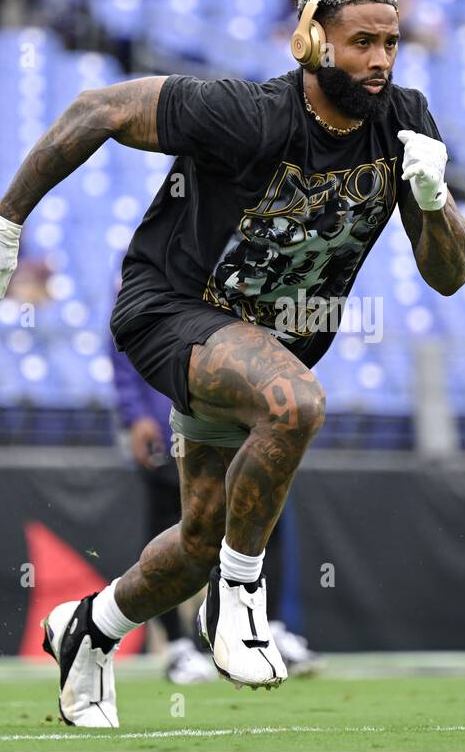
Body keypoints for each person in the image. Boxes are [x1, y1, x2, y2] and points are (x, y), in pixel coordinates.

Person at [0, 0, 465, 726]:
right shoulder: (247, 112)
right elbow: (98, 107)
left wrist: (432, 202)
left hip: (260, 341)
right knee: (295, 402)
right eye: (361, 42)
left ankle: (87, 630)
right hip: (170, 309)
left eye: (390, 43)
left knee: (198, 534)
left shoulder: (405, 120)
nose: (380, 60)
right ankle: (238, 600)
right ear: (310, 40)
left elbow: (449, 277)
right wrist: (5, 218)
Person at [111, 276, 320, 684]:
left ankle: (268, 624)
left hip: (241, 414)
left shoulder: (249, 249)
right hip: (170, 414)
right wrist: (133, 415)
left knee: (266, 523)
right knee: (179, 529)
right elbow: (125, 339)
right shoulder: (150, 257)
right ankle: (175, 646)